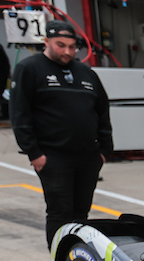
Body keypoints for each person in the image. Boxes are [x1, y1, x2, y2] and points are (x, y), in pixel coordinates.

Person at [9, 20, 113, 248]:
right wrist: (34, 154)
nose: (67, 51)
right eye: (60, 45)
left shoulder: (86, 73)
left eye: (72, 46)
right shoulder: (29, 69)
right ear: (46, 42)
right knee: (60, 213)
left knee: (81, 214)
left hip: (88, 157)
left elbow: (102, 111)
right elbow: (19, 114)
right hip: (53, 157)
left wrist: (104, 151)